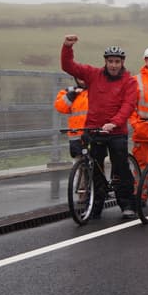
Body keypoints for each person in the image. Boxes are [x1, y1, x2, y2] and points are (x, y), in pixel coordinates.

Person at [59, 36, 139, 219]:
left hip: (116, 132)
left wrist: (115, 123)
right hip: (94, 130)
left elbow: (128, 105)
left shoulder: (129, 81)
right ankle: (96, 203)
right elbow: (68, 66)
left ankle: (126, 203)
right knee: (94, 169)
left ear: (122, 63)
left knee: (120, 168)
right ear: (105, 62)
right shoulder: (93, 75)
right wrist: (67, 47)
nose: (113, 65)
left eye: (117, 62)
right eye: (110, 61)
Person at [55, 77, 89, 158]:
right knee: (77, 160)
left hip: (92, 132)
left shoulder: (97, 90)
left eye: (84, 77)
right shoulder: (69, 91)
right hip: (75, 134)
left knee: (96, 160)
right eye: (79, 78)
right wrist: (71, 95)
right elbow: (59, 107)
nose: (82, 80)